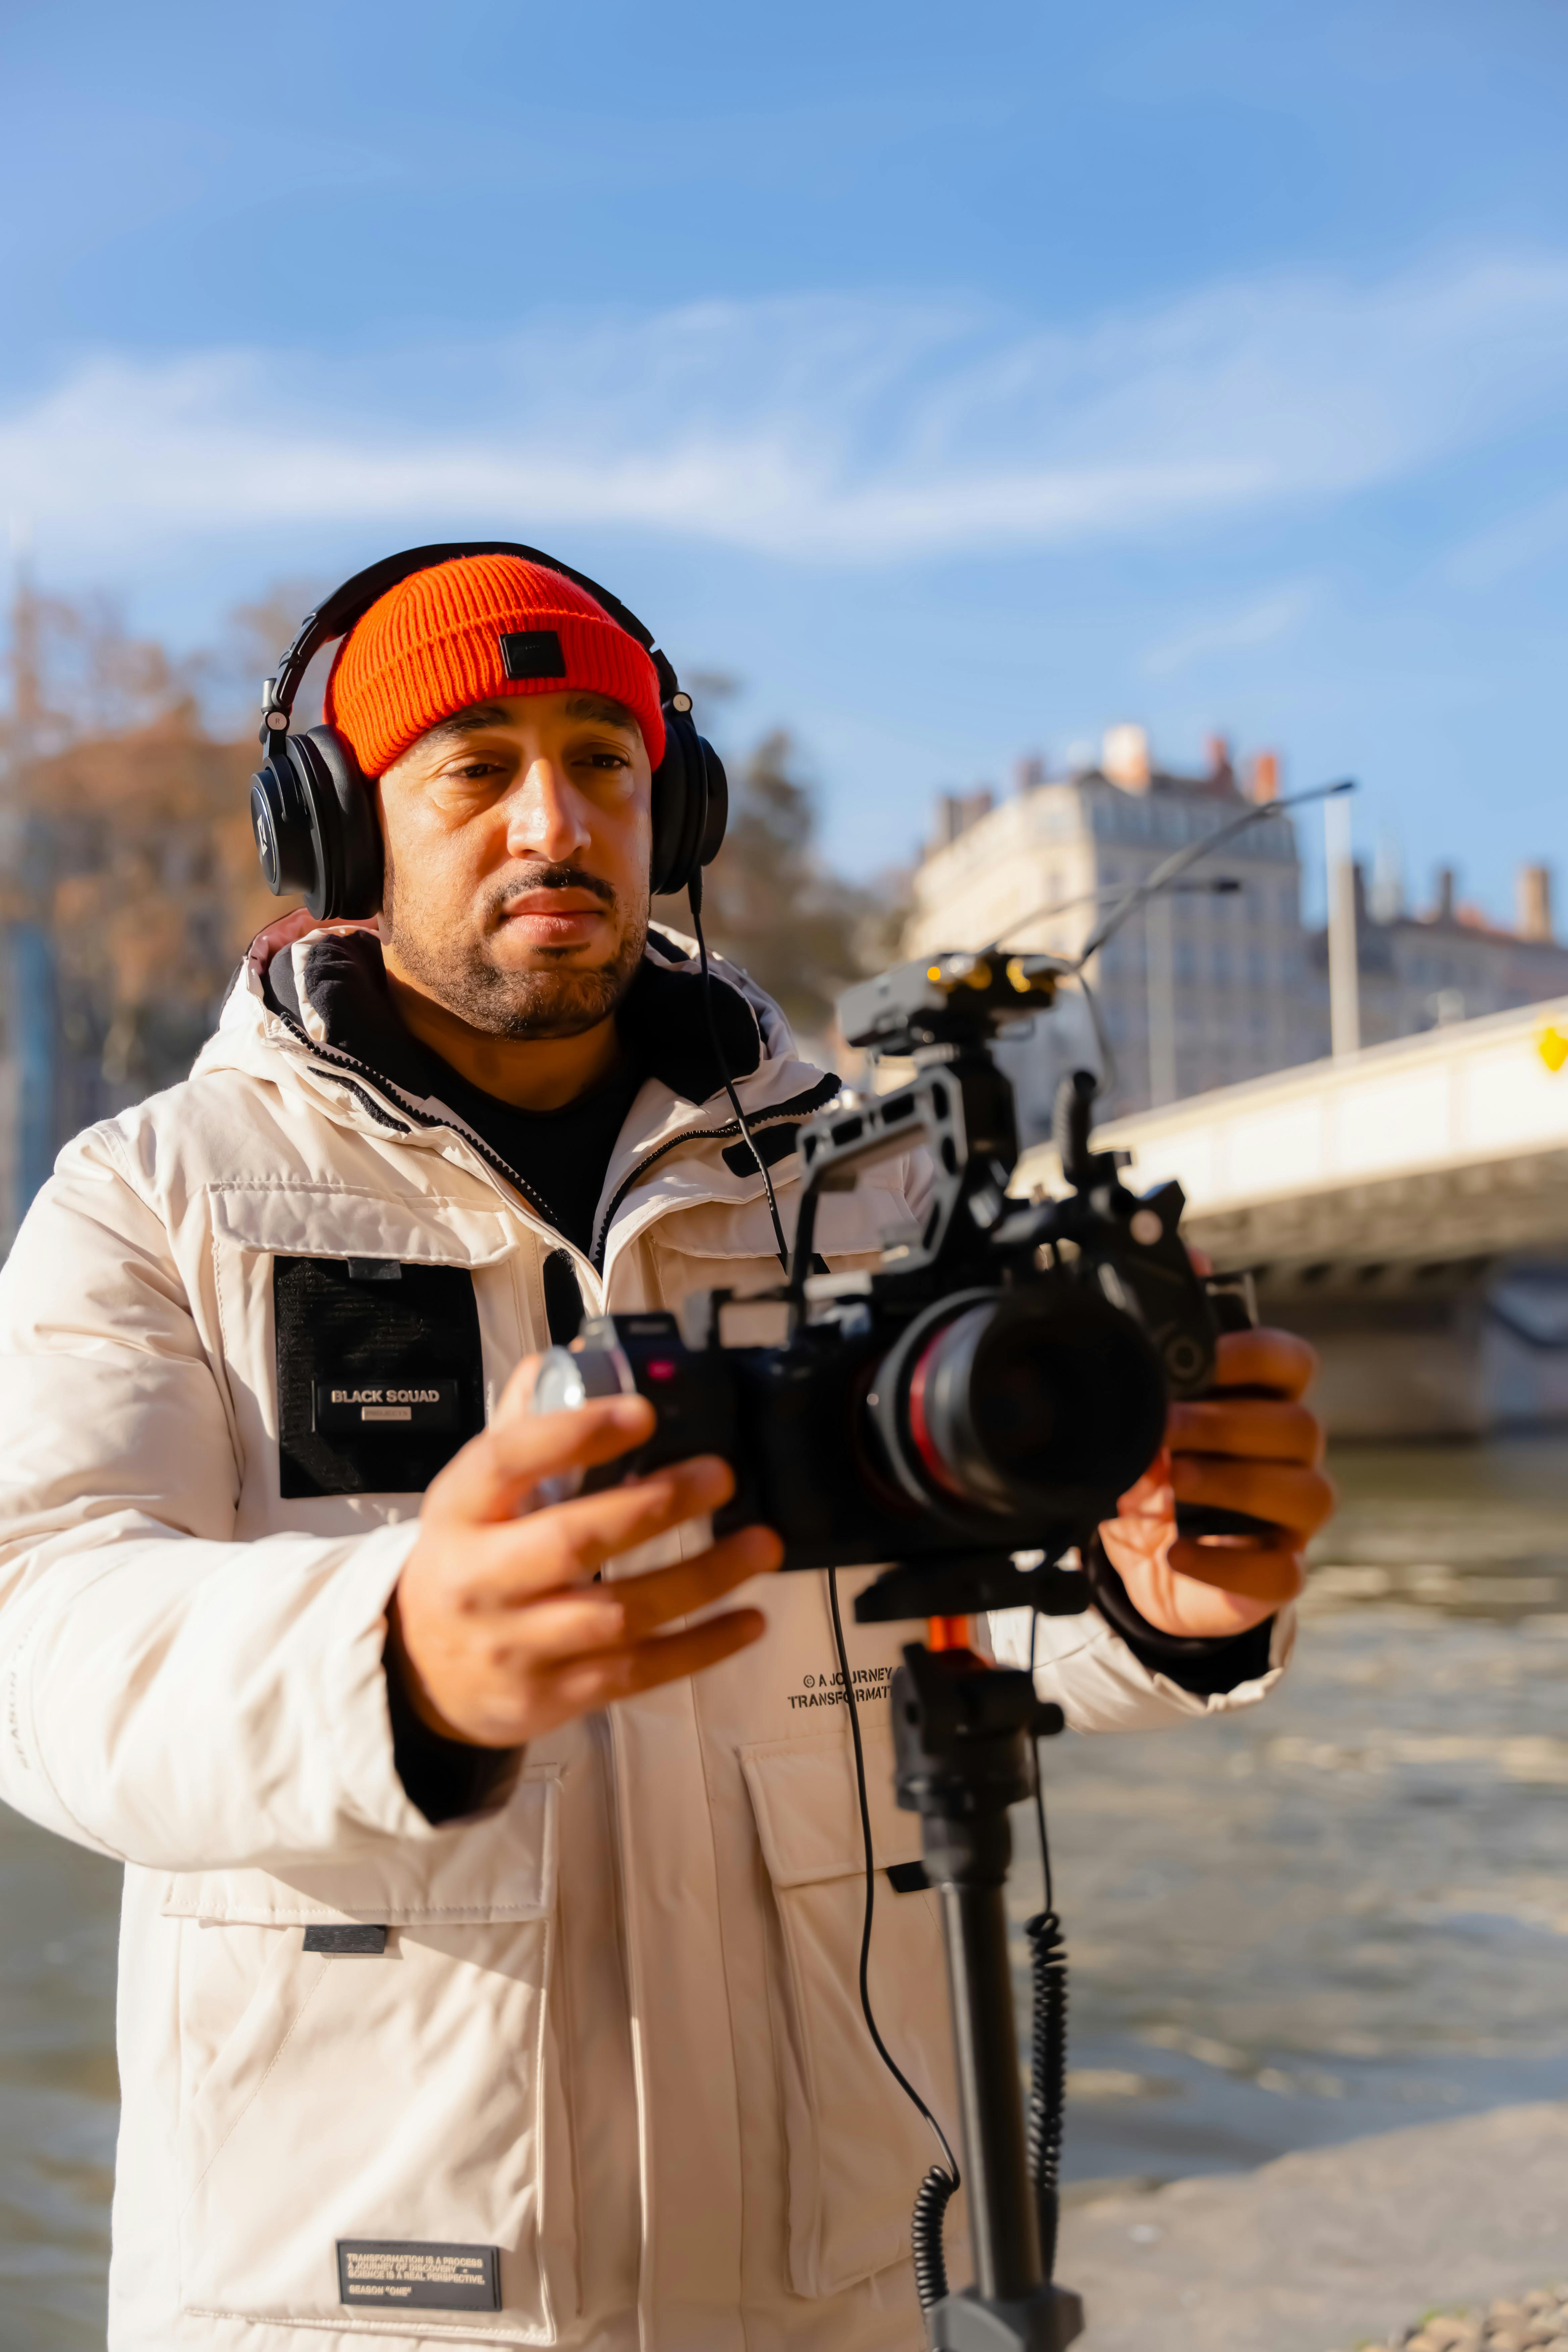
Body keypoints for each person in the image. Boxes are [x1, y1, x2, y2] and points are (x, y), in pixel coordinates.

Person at [0, 549, 1332, 2352]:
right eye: (475, 767)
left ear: (671, 802)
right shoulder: (153, 1202)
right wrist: (397, 1659)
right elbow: (42, 1636)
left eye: (604, 762)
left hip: (836, 2290)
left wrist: (1166, 1599)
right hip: (357, 2303)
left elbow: (976, 1611)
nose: (556, 818)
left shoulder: (872, 1188)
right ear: (340, 829)